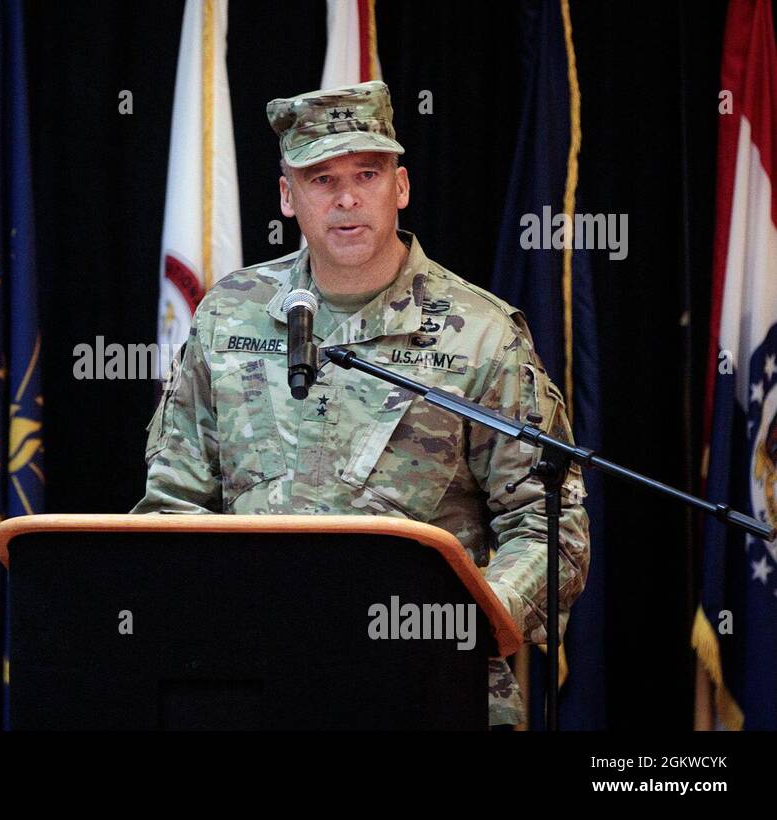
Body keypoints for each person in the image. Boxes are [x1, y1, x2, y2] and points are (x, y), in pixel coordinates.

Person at [131, 80, 591, 727]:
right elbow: (174, 505)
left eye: (367, 173)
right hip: (254, 690)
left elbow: (550, 527)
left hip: (429, 693)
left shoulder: (482, 333)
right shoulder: (227, 317)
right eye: (321, 179)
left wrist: (469, 621)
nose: (347, 199)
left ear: (399, 187)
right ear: (287, 197)